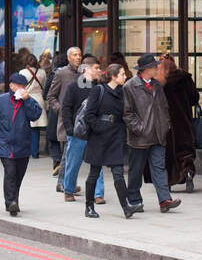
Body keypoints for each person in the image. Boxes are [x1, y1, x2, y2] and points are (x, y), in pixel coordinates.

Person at [123, 53, 179, 213]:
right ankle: (134, 201)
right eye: (154, 66)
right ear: (146, 69)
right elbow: (127, 114)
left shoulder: (157, 85)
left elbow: (164, 107)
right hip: (140, 137)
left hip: (158, 134)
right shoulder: (129, 86)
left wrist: (165, 125)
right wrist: (140, 129)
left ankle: (165, 200)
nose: (157, 68)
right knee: (136, 170)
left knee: (159, 168)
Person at [79, 64, 137, 219]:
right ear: (113, 76)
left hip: (116, 136)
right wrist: (101, 128)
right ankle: (89, 207)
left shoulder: (122, 92)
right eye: (122, 74)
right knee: (94, 173)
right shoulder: (99, 90)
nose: (125, 77)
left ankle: (126, 206)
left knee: (118, 172)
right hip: (99, 137)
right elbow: (89, 115)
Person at [0, 73, 43, 216]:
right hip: (5, 144)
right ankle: (11, 202)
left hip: (23, 144)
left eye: (24, 86)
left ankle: (12, 201)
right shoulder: (0, 100)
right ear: (11, 86)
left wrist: (27, 100)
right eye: (19, 86)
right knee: (10, 173)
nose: (22, 88)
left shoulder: (28, 100)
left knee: (19, 175)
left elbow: (35, 115)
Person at [60, 58, 105, 203]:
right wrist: (69, 128)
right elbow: (66, 108)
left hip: (95, 131)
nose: (99, 71)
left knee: (97, 163)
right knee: (73, 163)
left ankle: (98, 194)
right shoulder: (74, 86)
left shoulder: (100, 87)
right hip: (77, 132)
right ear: (86, 69)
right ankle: (69, 190)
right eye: (96, 68)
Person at [160, 54, 200, 192]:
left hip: (166, 123)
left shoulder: (161, 81)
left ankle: (169, 181)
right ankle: (188, 173)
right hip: (184, 121)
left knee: (168, 153)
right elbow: (194, 98)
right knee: (185, 151)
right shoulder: (185, 78)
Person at [46, 47, 84, 182]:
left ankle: (67, 183)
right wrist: (60, 109)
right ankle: (62, 182)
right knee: (69, 151)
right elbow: (50, 96)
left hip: (82, 119)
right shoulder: (61, 73)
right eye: (75, 55)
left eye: (79, 55)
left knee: (74, 154)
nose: (78, 57)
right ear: (68, 58)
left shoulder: (83, 72)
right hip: (67, 119)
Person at [20, 53, 49, 158]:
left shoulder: (22, 72)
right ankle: (35, 152)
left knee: (25, 127)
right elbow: (45, 86)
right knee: (35, 129)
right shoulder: (42, 72)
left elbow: (20, 87)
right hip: (39, 99)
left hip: (26, 98)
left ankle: (26, 151)